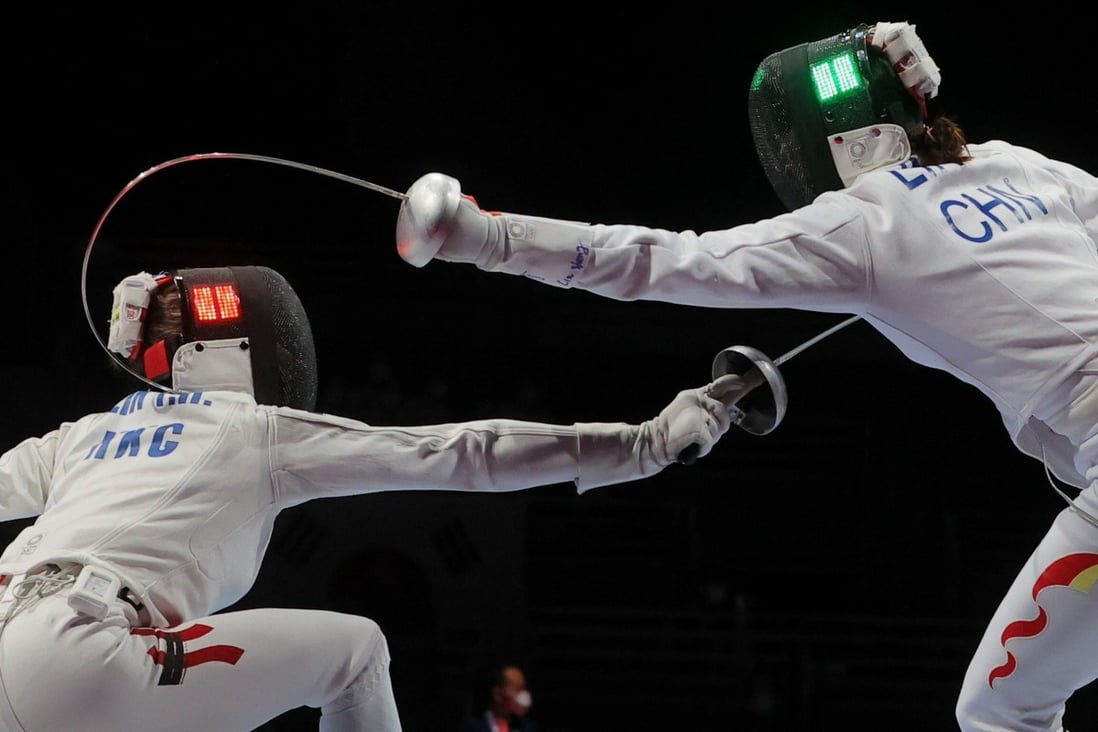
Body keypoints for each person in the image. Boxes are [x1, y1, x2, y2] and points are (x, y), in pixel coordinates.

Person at [393, 19, 1098, 732]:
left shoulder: (863, 223)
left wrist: (488, 238)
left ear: (837, 142)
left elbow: (668, 261)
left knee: (1002, 710)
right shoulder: (1015, 166)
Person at [0, 264, 750, 731]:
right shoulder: (252, 430)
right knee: (355, 655)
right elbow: (460, 453)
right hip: (81, 653)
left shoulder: (82, 436)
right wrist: (644, 442)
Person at [458, 663, 536, 732]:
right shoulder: (472, 726)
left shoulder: (526, 728)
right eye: (517, 689)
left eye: (523, 689)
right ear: (497, 693)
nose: (523, 695)